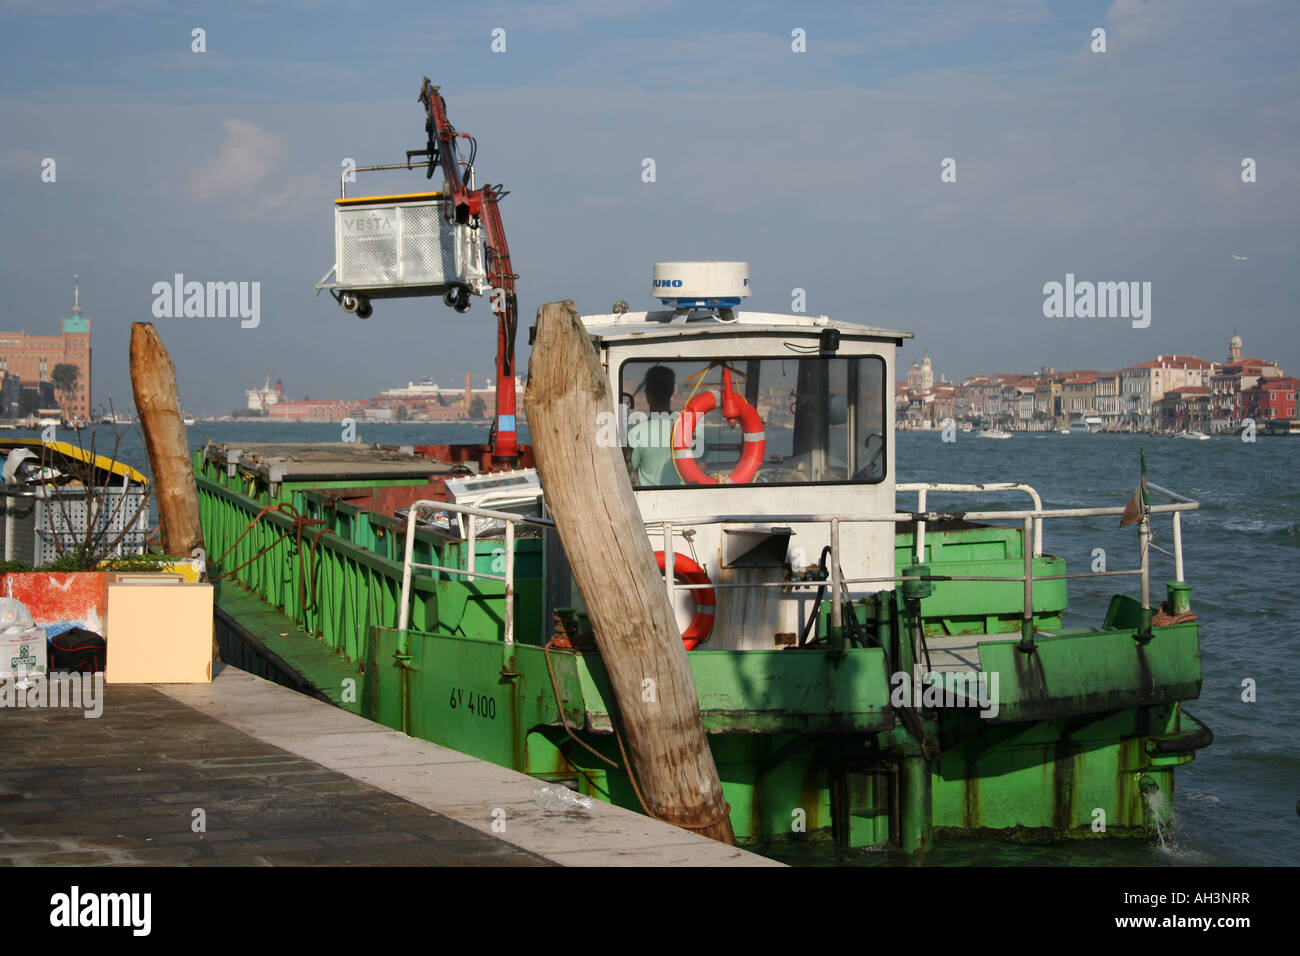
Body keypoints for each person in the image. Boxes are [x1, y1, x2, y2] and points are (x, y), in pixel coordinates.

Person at [627, 365, 682, 486]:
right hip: (685, 501)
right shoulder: (687, 428)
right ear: (672, 391)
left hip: (647, 502)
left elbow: (627, 474)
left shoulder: (636, 433)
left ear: (647, 394)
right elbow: (701, 467)